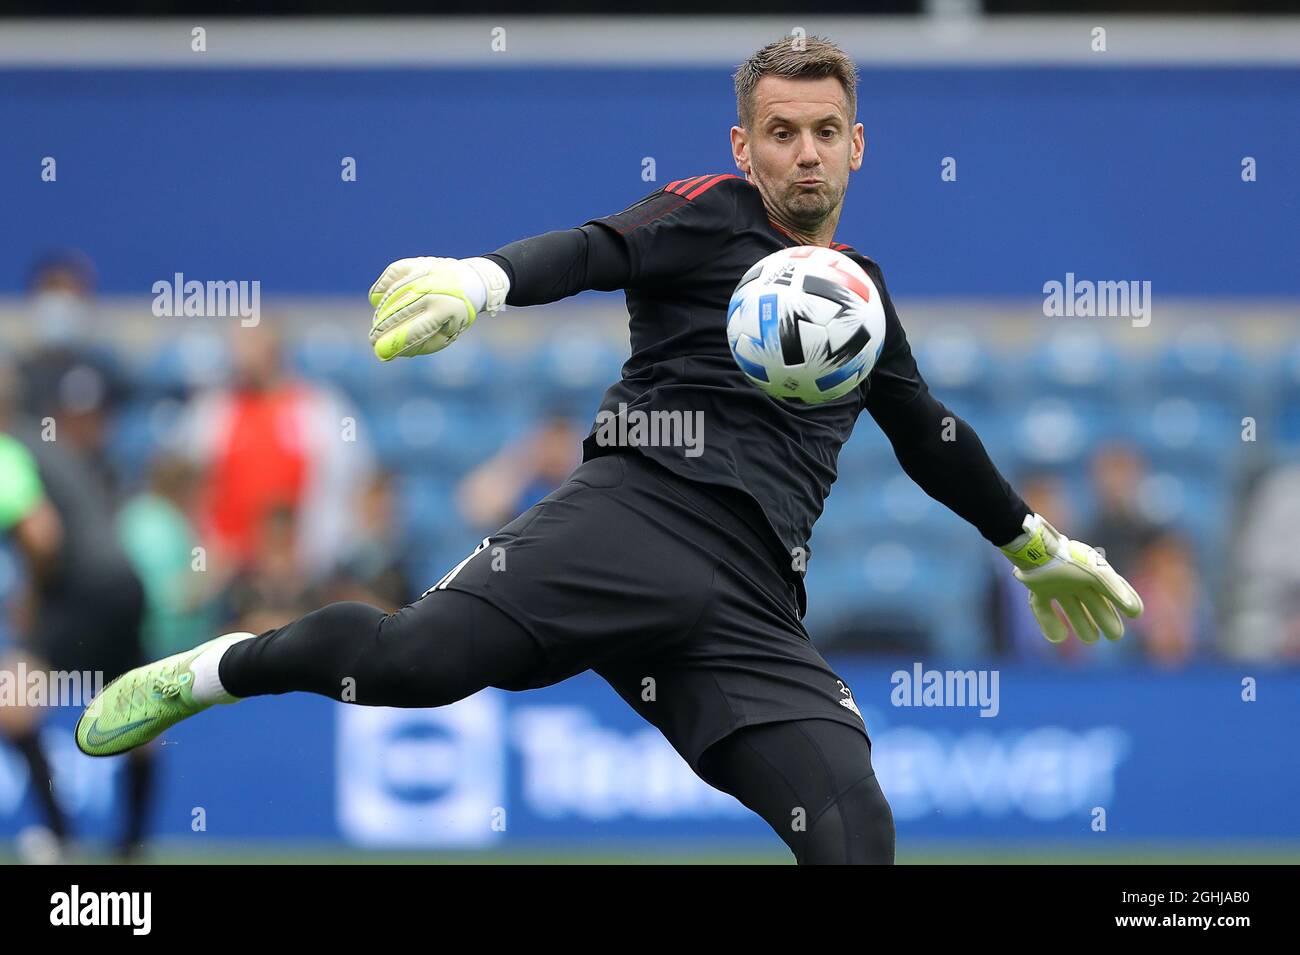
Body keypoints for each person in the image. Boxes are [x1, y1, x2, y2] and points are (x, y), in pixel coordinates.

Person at [75, 36, 1143, 865]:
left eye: (825, 130)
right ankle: (210, 671)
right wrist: (485, 280)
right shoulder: (705, 214)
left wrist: (1030, 541)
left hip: (748, 599)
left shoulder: (858, 296)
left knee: (853, 823)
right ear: (744, 147)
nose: (803, 151)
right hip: (627, 517)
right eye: (780, 131)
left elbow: (925, 432)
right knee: (411, 665)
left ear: (857, 145)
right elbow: (594, 249)